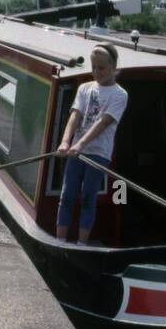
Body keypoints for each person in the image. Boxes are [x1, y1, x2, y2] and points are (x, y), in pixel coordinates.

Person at [56, 43, 127, 242]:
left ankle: (81, 244)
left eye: (101, 68)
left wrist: (80, 145)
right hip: (75, 151)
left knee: (88, 197)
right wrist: (65, 141)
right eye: (93, 67)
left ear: (113, 67)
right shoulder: (84, 88)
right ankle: (60, 240)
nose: (96, 72)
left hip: (98, 153)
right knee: (67, 195)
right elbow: (75, 116)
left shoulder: (120, 95)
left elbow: (103, 123)